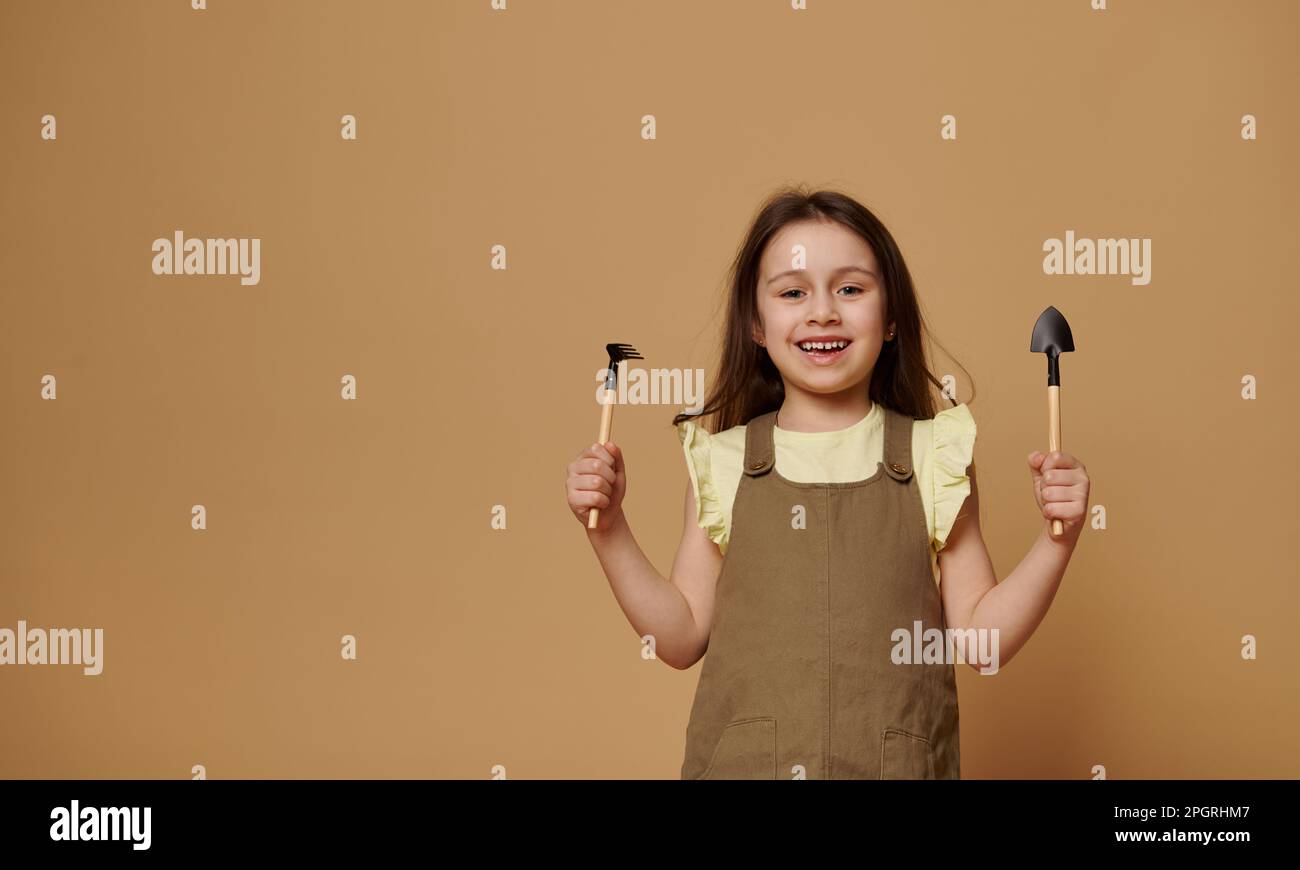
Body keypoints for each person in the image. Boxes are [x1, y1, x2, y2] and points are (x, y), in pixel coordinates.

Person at [565, 187, 1090, 779]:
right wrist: (609, 531)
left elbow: (979, 643)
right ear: (757, 325)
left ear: (890, 318)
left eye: (850, 289)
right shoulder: (724, 461)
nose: (822, 312)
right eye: (793, 292)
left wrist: (1057, 541)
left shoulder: (933, 455)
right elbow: (681, 636)